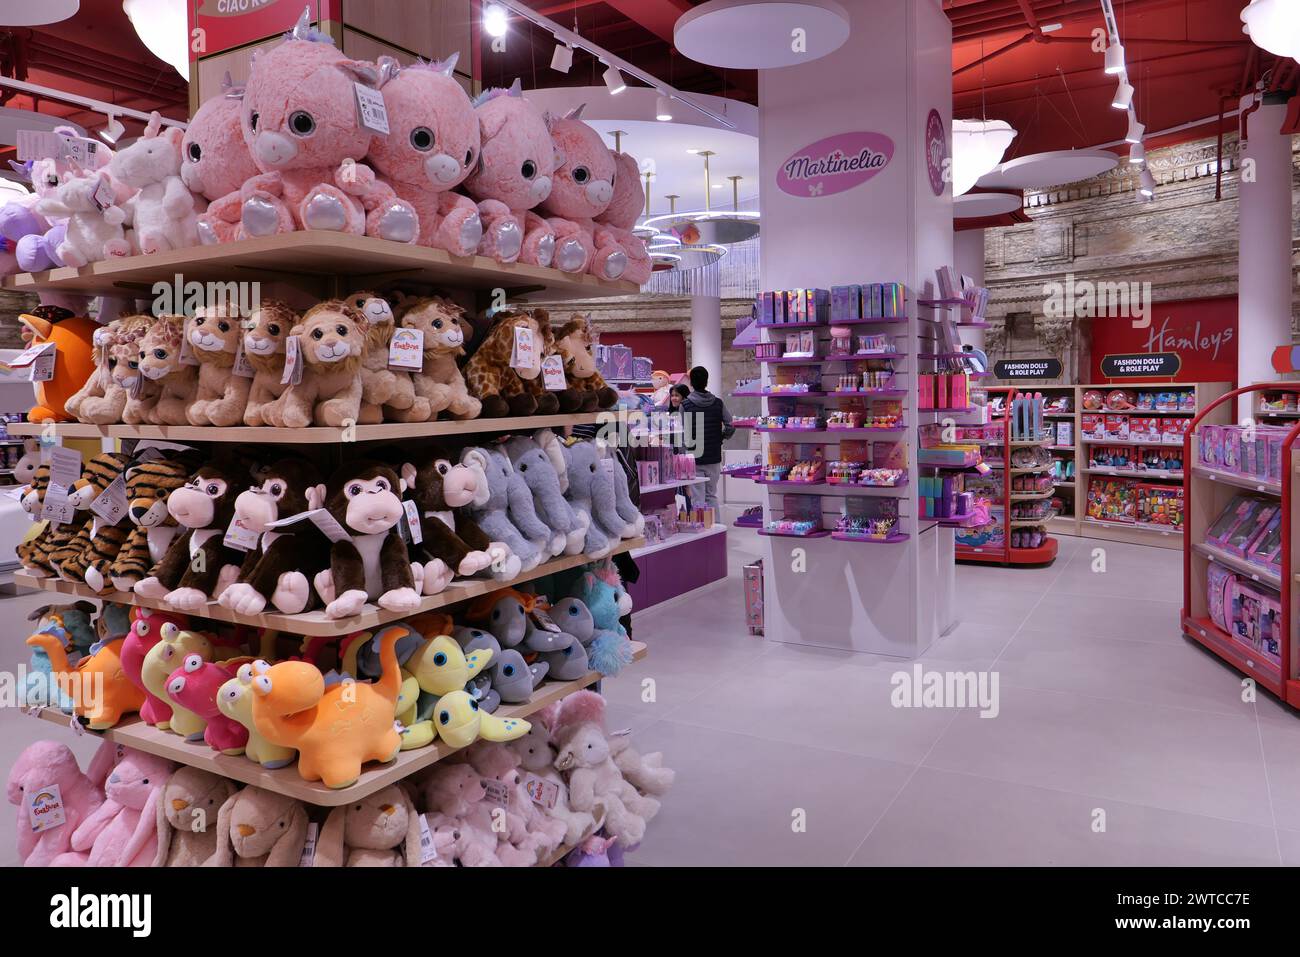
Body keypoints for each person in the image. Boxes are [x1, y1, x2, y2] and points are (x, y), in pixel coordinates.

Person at [680, 366, 733, 515]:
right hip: (714, 456)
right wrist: (721, 437)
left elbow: (682, 433)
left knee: (698, 498)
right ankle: (716, 530)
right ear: (706, 381)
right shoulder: (718, 403)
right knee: (711, 495)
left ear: (691, 382)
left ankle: (702, 533)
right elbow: (730, 424)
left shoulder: (686, 405)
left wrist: (684, 455)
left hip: (694, 458)